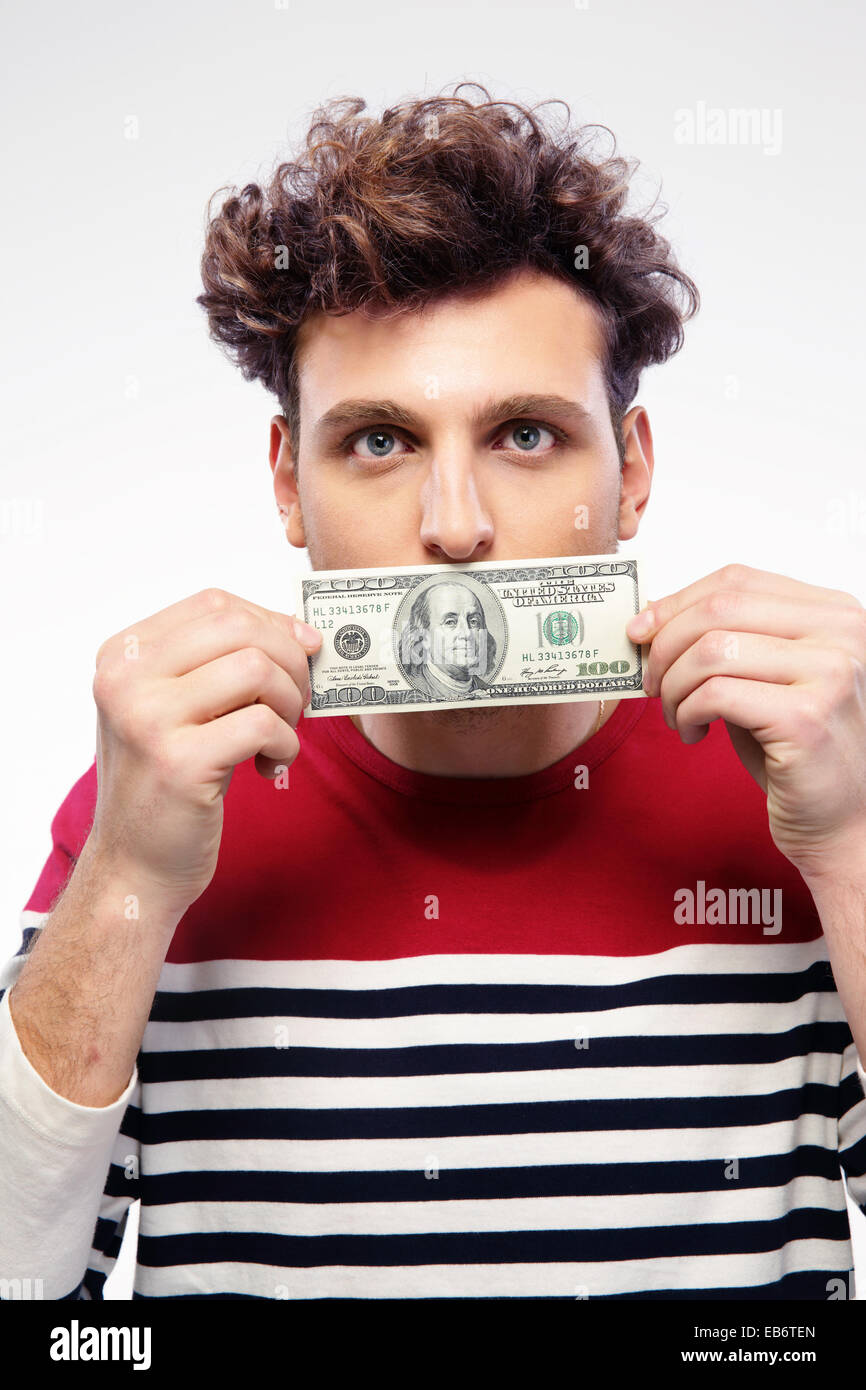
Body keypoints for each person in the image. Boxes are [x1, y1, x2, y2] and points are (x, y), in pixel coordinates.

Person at [1, 83, 865, 1301]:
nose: (452, 527)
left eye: (522, 435)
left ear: (630, 475)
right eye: (376, 440)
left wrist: (852, 844)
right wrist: (131, 882)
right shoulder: (155, 802)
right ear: (288, 487)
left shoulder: (801, 783)